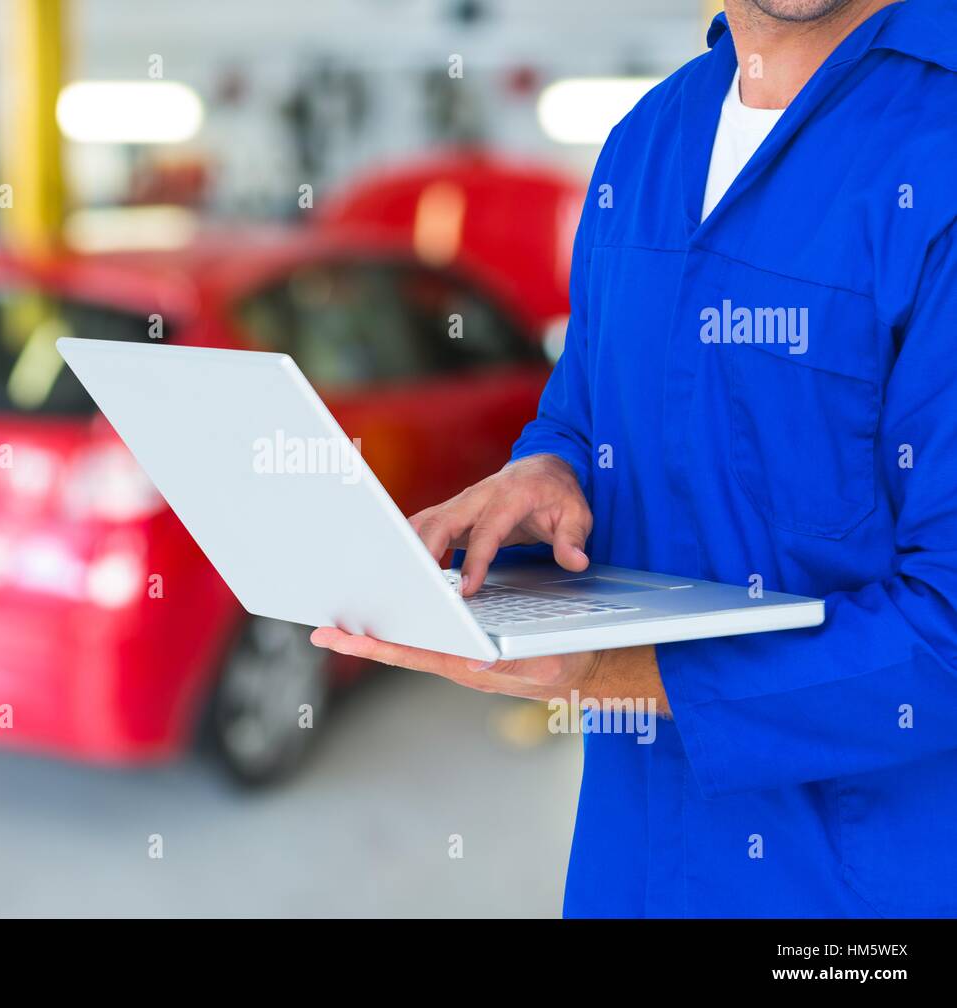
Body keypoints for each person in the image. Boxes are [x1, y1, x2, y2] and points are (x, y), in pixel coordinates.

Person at [312, 0, 957, 917]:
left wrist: (608, 672)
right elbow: (583, 404)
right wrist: (549, 469)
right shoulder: (647, 141)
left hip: (856, 892)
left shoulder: (939, 151)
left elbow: (948, 632)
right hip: (634, 855)